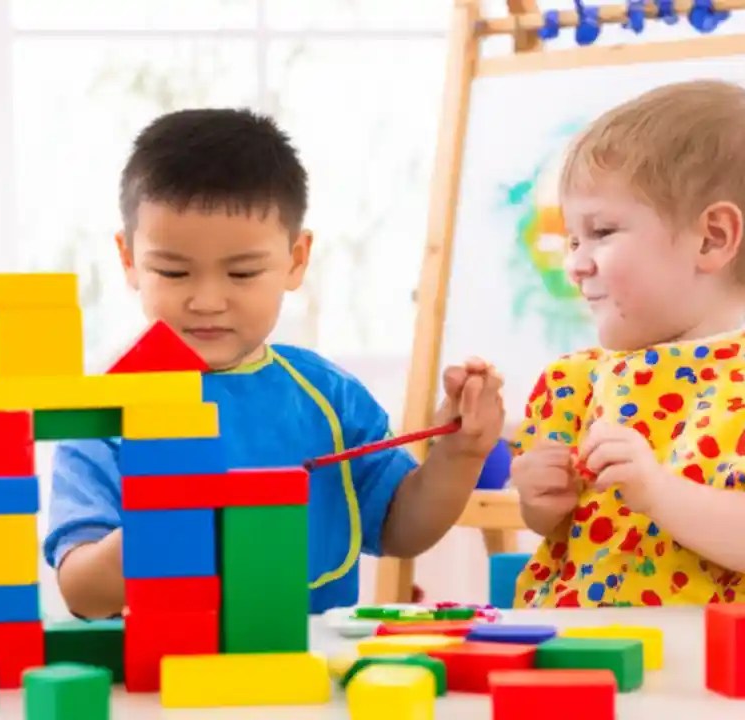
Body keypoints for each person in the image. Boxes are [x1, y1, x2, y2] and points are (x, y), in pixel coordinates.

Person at [45, 108, 506, 618]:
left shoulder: (327, 395)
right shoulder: (101, 416)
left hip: (311, 675)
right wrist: (165, 524)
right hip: (162, 686)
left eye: (241, 274)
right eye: (174, 273)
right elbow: (82, 591)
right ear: (129, 259)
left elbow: (403, 530)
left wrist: (459, 456)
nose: (207, 300)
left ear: (296, 259)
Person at [508, 80, 745, 608]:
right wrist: (540, 498)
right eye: (574, 240)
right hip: (570, 654)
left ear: (712, 238)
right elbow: (551, 527)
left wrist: (657, 493)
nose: (575, 263)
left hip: (696, 675)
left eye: (601, 232)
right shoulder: (575, 384)